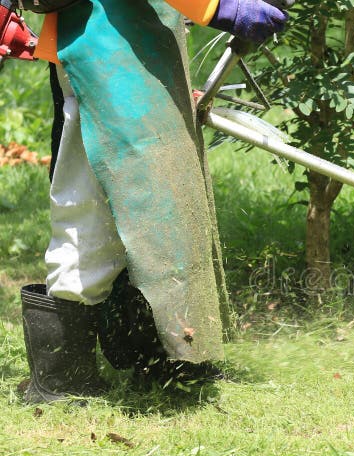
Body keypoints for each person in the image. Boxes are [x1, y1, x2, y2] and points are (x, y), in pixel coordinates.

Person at [18, 0, 288, 403]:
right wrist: (219, 7)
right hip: (98, 43)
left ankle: (163, 357)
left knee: (158, 199)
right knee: (91, 210)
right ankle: (62, 379)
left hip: (136, 41)